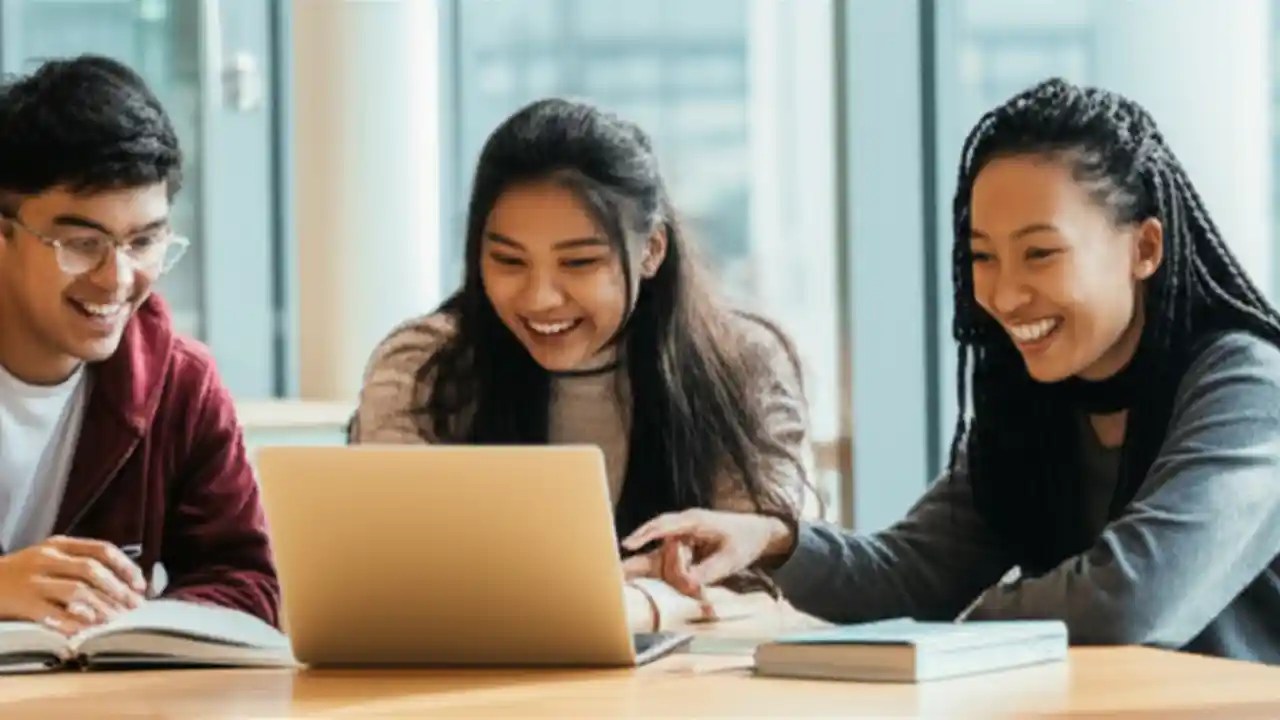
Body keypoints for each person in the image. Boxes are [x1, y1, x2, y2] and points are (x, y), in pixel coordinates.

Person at [623, 78, 1280, 663]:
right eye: (983, 257)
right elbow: (913, 573)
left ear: (1145, 247)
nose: (1005, 293)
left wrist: (966, 626)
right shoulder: (1035, 401)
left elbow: (1132, 600)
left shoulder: (1250, 387)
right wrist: (770, 539)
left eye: (1040, 253)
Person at [351, 98, 815, 628]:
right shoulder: (422, 366)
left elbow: (768, 580)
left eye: (579, 262)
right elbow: (387, 573)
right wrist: (620, 589)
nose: (541, 297)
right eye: (507, 260)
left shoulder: (742, 364)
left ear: (652, 250)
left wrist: (631, 606)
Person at [0, 56, 279, 634]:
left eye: (145, 241)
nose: (118, 278)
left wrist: (129, 625)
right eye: (82, 243)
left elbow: (247, 583)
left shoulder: (179, 383)